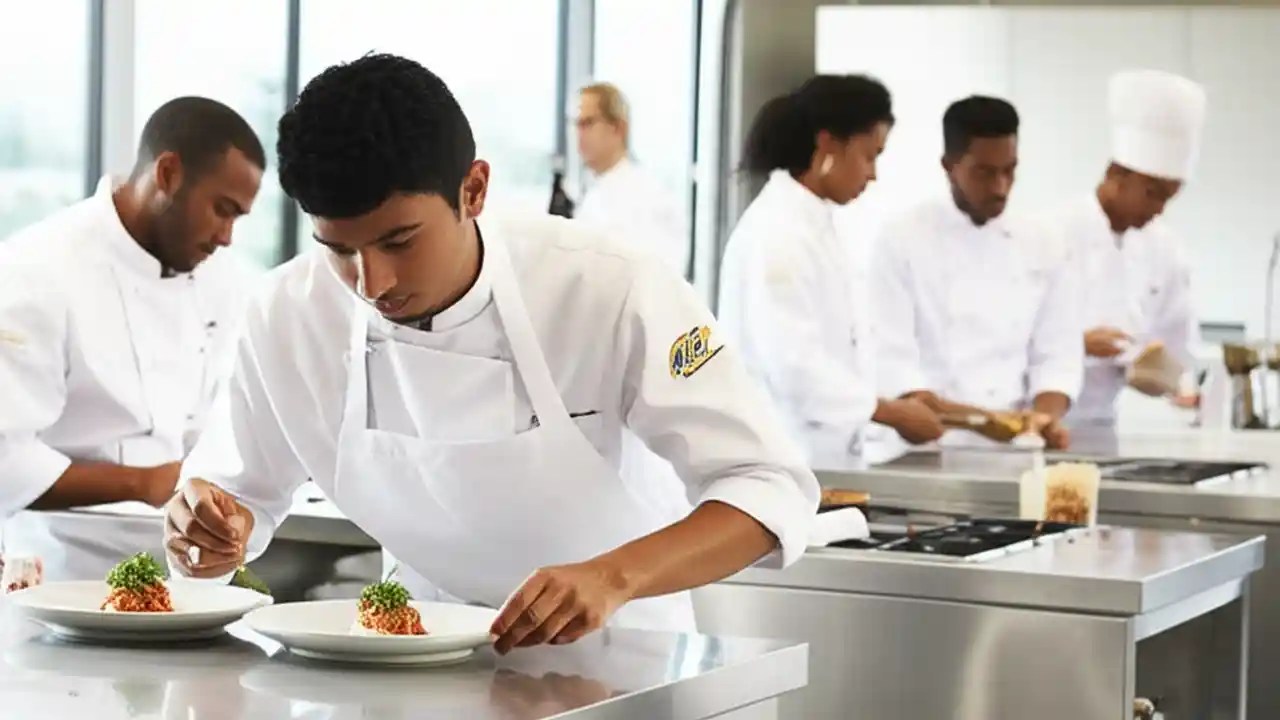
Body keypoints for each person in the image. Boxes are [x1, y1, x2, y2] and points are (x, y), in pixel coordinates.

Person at [162, 54, 818, 653]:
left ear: (473, 190)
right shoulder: (287, 313)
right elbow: (237, 494)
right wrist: (210, 532)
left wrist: (613, 576)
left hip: (620, 659)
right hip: (413, 654)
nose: (373, 283)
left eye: (399, 241)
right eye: (339, 250)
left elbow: (767, 485)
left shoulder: (608, 287)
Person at [0, 97, 265, 580]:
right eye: (221, 210)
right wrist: (146, 481)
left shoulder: (217, 277)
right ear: (168, 174)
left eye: (238, 219)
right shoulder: (36, 269)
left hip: (184, 568)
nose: (227, 237)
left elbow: (219, 419)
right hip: (62, 570)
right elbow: (5, 458)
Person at [718, 75, 943, 470]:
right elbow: (795, 366)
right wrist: (888, 412)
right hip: (783, 457)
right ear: (827, 144)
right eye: (869, 155)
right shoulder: (778, 233)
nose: (872, 175)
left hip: (824, 459)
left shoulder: (815, 225)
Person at [872, 96, 1082, 449]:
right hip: (922, 448)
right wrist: (985, 421)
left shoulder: (1044, 242)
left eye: (1009, 170)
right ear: (949, 165)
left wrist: (1043, 416)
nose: (1000, 187)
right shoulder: (901, 239)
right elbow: (892, 361)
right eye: (984, 172)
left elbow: (1058, 354)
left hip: (1016, 446)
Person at [1055, 69, 1206, 430]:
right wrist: (1078, 345)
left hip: (1107, 423)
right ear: (1115, 174)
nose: (1159, 209)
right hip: (1042, 418)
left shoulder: (1165, 248)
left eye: (1169, 198)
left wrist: (1170, 380)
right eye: (1152, 193)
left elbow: (1177, 346)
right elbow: (1004, 342)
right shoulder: (1050, 234)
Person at [574, 82, 688, 276]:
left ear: (618, 128)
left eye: (588, 123)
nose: (580, 134)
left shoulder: (648, 197)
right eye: (577, 125)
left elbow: (656, 282)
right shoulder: (595, 195)